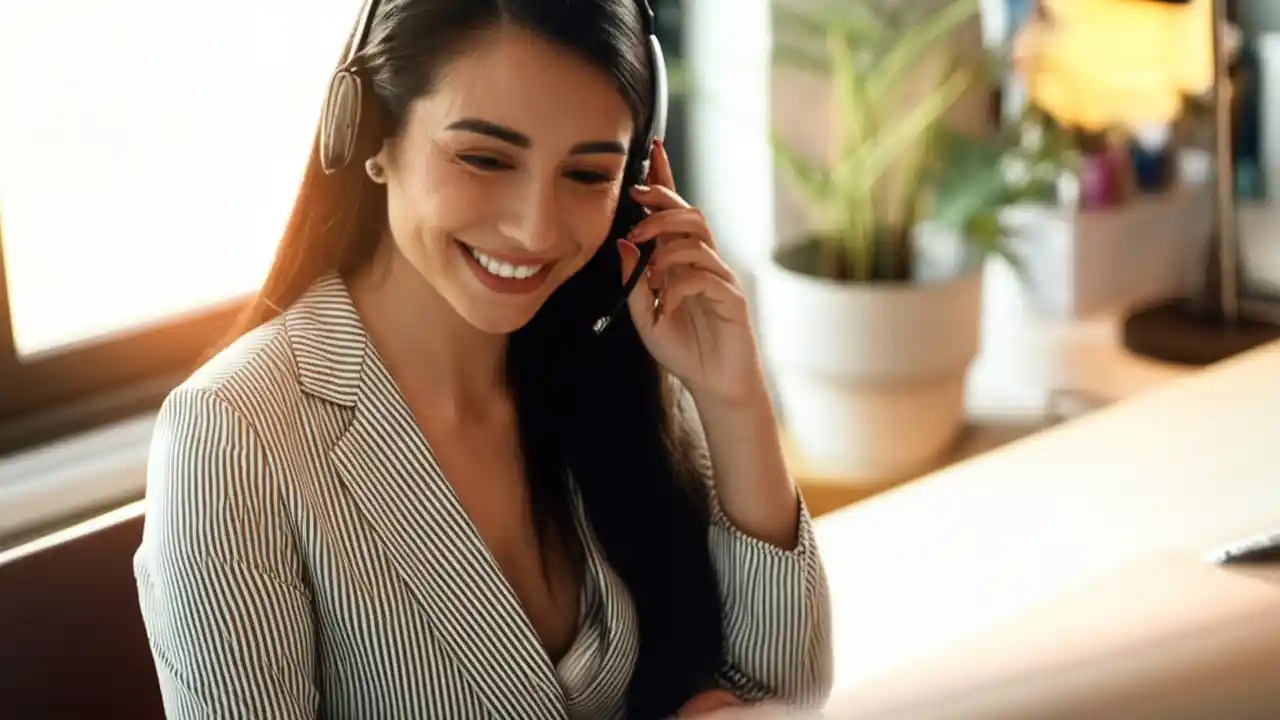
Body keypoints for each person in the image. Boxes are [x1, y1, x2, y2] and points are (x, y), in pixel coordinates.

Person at [132, 1, 832, 718]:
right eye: (484, 158)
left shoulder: (609, 362)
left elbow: (788, 696)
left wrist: (733, 398)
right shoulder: (230, 434)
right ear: (371, 131)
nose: (535, 228)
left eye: (588, 174)